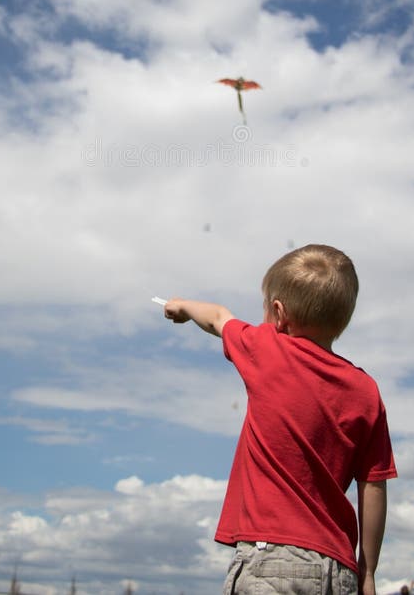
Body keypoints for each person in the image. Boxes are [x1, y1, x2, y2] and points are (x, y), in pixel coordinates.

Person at [164, 244, 397, 595]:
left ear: (278, 312)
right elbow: (374, 486)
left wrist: (180, 306)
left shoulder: (267, 349)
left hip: (271, 559)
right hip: (339, 567)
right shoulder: (366, 390)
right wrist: (368, 572)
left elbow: (216, 317)